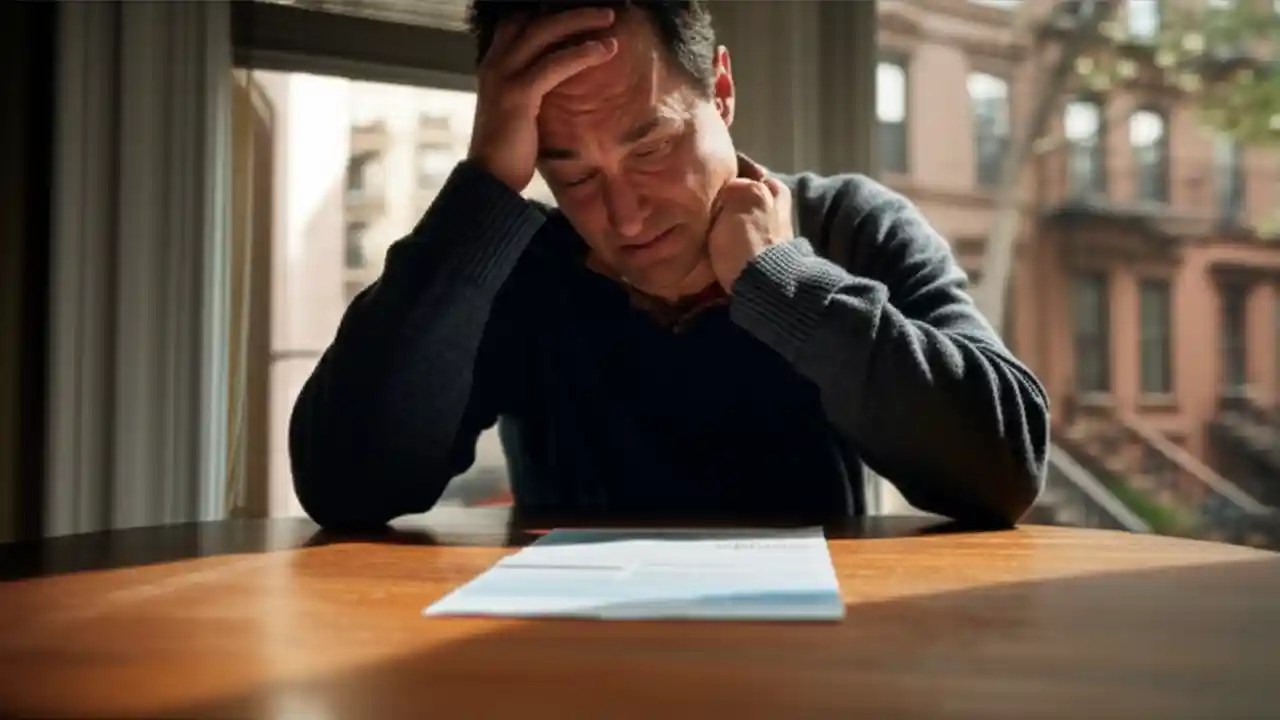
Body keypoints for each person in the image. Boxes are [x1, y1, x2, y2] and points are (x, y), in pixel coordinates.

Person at [289, 0, 1050, 529]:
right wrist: (484, 187)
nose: (624, 216)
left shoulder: (849, 226)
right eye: (573, 177)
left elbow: (1005, 472)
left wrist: (785, 283)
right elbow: (343, 486)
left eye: (651, 148)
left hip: (809, 666)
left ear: (721, 90)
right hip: (570, 663)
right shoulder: (520, 268)